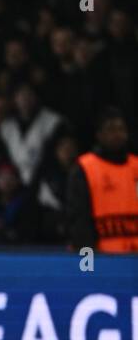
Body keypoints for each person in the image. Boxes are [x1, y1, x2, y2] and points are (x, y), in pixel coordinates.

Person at [66, 106, 138, 252]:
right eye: (111, 129)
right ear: (99, 135)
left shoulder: (136, 167)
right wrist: (89, 262)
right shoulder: (84, 169)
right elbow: (79, 221)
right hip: (103, 258)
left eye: (121, 129)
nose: (117, 134)